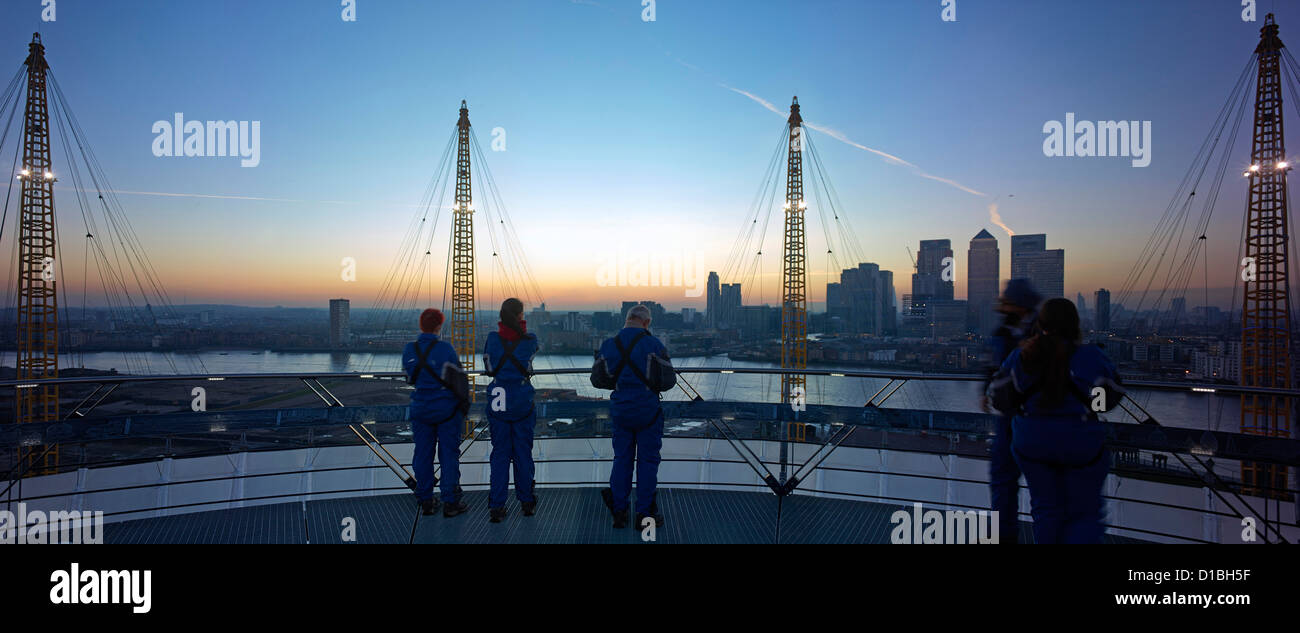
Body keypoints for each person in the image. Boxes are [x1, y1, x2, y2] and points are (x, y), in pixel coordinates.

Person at [988, 298, 1124, 544]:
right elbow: (1108, 400)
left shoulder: (1023, 356)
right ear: (1075, 325)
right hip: (1080, 442)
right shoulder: (1092, 357)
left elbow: (999, 399)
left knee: (1046, 508)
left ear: (1041, 325)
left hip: (1033, 442)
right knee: (1084, 512)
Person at [591, 305, 676, 529]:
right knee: (648, 462)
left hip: (621, 411)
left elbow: (597, 380)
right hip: (648, 411)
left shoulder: (609, 345)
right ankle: (644, 514)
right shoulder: (654, 345)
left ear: (627, 319)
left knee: (622, 459)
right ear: (646, 323)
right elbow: (668, 381)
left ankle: (619, 511)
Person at [982, 278, 1042, 544]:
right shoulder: (1008, 332)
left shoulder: (1036, 334)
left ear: (1019, 304)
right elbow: (993, 367)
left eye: (1007, 301)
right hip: (1011, 418)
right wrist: (985, 389)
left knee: (1031, 483)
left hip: (1029, 418)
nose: (1003, 306)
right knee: (1005, 479)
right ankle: (1003, 536)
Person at [402, 308, 469, 518]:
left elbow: (410, 379)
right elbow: (458, 378)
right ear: (439, 326)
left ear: (421, 325)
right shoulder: (445, 349)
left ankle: (426, 500)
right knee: (448, 455)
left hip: (421, 409)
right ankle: (451, 502)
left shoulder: (410, 350)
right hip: (446, 410)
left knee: (423, 454)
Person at [483, 298, 540, 523]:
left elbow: (489, 369)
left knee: (500, 454)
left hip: (498, 403)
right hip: (521, 402)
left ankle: (497, 505)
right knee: (522, 454)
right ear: (520, 315)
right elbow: (529, 359)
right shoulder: (530, 340)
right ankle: (526, 501)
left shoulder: (492, 339)